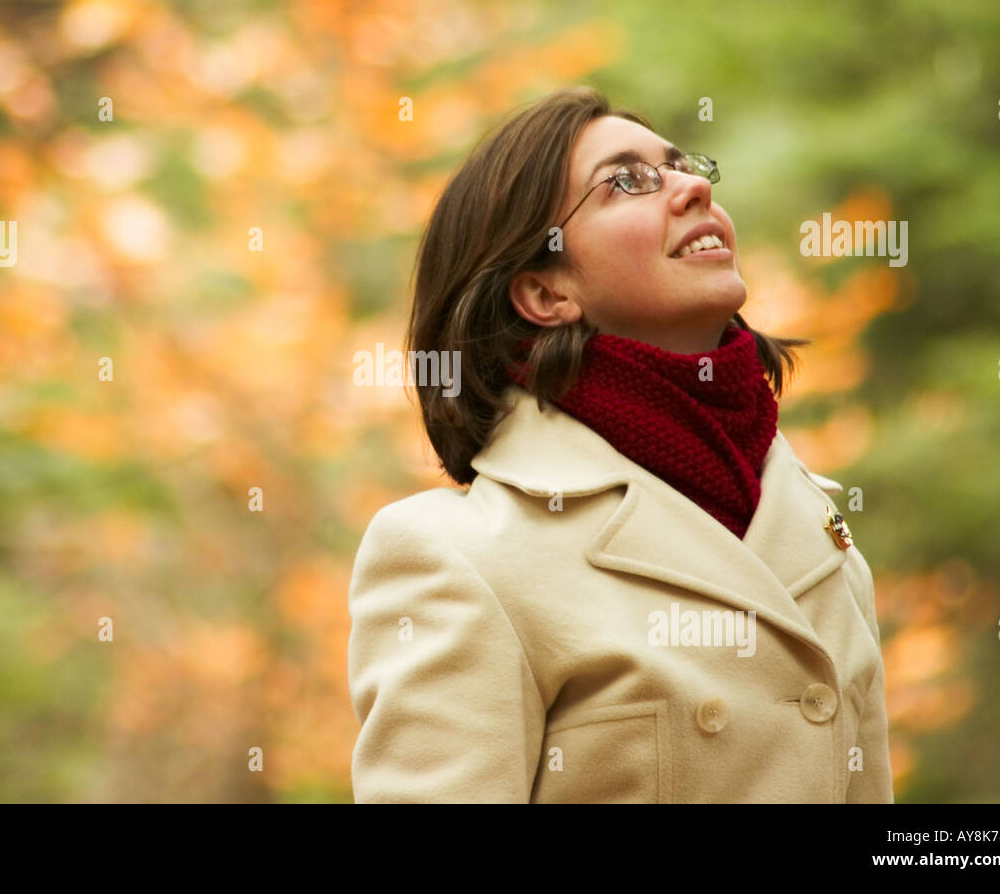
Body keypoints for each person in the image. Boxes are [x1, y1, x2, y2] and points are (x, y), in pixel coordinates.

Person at [346, 86, 893, 803]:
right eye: (627, 182)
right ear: (546, 293)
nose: (694, 186)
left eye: (681, 166)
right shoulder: (455, 556)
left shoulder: (823, 543)